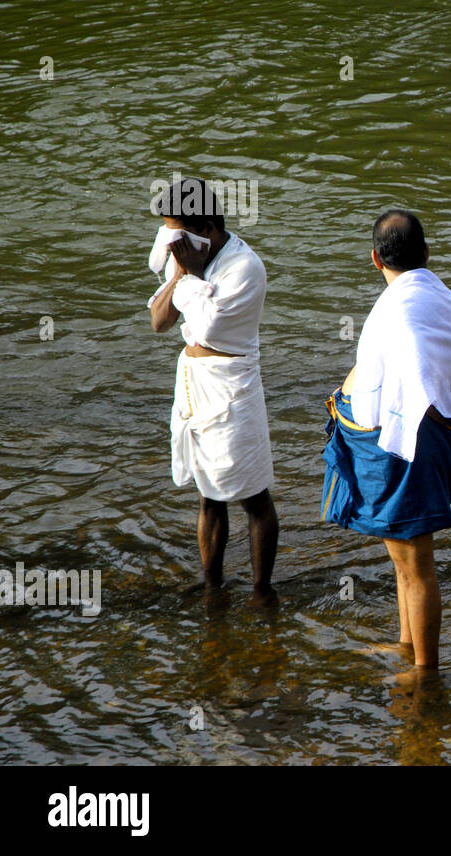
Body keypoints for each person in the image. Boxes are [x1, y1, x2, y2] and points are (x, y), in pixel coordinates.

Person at [322, 210, 451, 671]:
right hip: (418, 435)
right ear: (426, 253)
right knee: (404, 561)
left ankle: (426, 676)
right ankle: (406, 646)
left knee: (416, 565)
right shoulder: (435, 296)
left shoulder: (399, 308)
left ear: (374, 260)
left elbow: (407, 373)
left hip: (403, 441)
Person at [147, 177, 278, 602]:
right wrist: (183, 272)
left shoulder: (246, 269)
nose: (170, 241)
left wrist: (195, 275)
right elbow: (159, 321)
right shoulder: (182, 257)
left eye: (178, 232)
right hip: (192, 384)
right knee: (208, 496)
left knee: (253, 498)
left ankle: (261, 593)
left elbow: (205, 327)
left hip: (233, 388)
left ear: (205, 227)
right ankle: (212, 586)